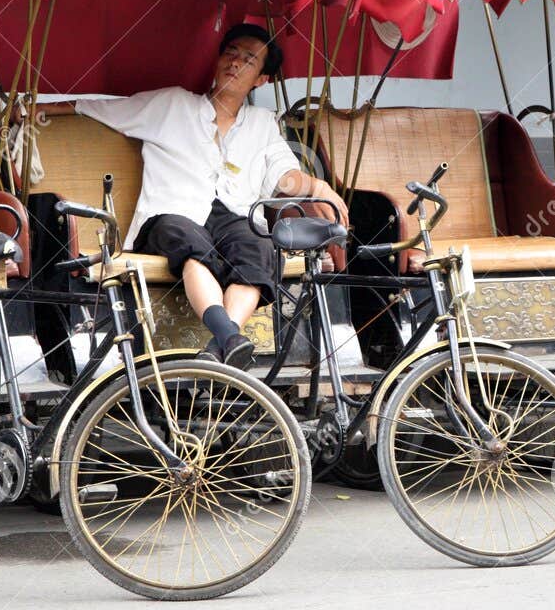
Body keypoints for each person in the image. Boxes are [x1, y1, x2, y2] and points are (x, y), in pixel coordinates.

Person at [36, 23, 347, 366]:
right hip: (171, 215)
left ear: (261, 79)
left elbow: (283, 177)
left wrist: (318, 185)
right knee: (190, 243)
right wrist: (36, 111)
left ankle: (221, 346)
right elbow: (96, 108)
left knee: (258, 244)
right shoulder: (172, 104)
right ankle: (228, 337)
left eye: (248, 60)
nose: (234, 63)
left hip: (234, 215)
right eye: (230, 54)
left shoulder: (263, 123)